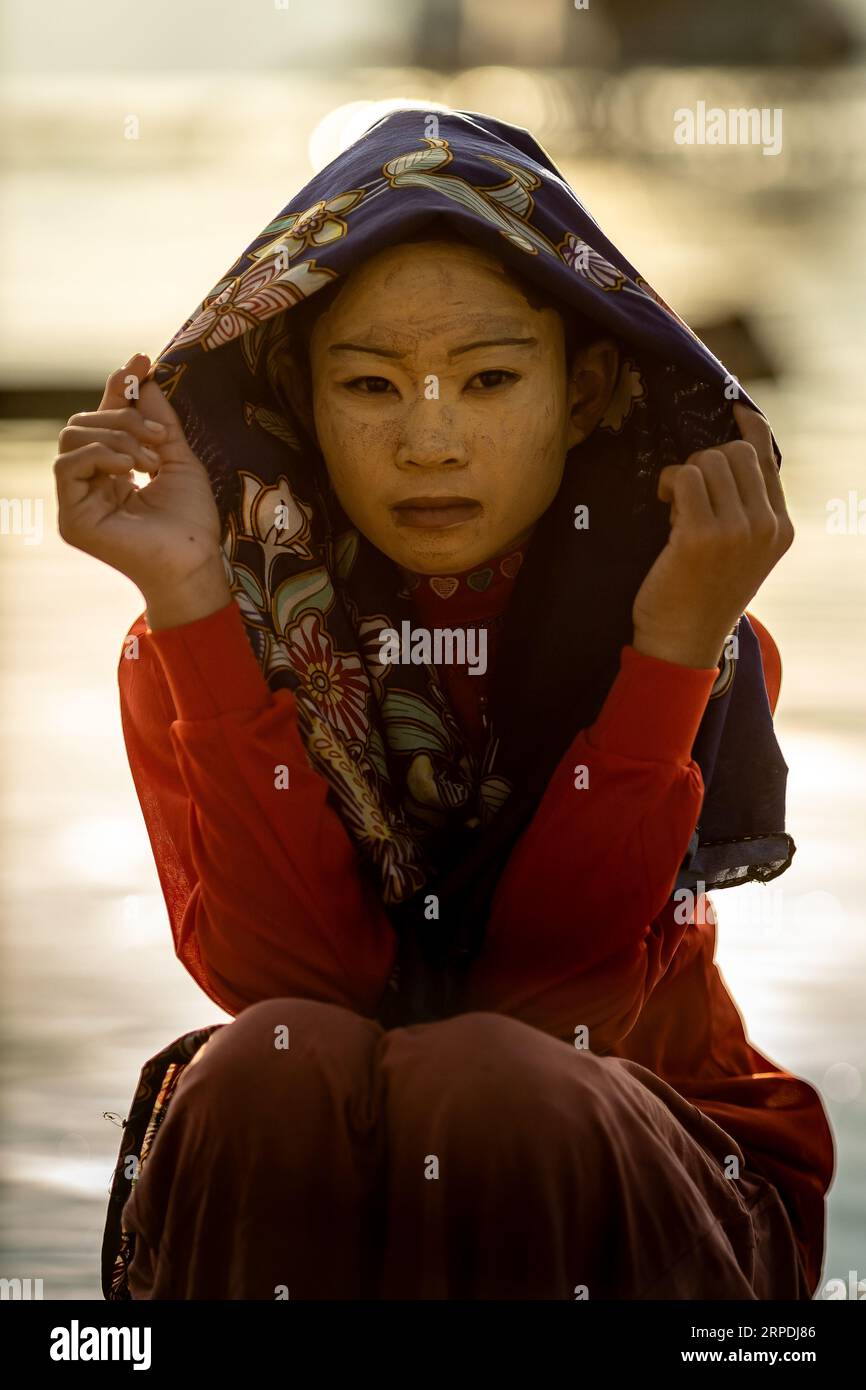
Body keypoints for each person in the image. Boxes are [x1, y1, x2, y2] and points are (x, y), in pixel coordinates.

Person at [54, 107, 834, 1300]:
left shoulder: (689, 624)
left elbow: (547, 1005)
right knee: (264, 1065)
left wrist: (673, 644)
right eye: (368, 383)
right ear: (296, 396)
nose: (429, 440)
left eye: (486, 379)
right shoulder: (202, 633)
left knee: (488, 1080)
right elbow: (290, 982)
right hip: (350, 1132)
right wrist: (190, 594)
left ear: (582, 393)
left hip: (662, 1159)